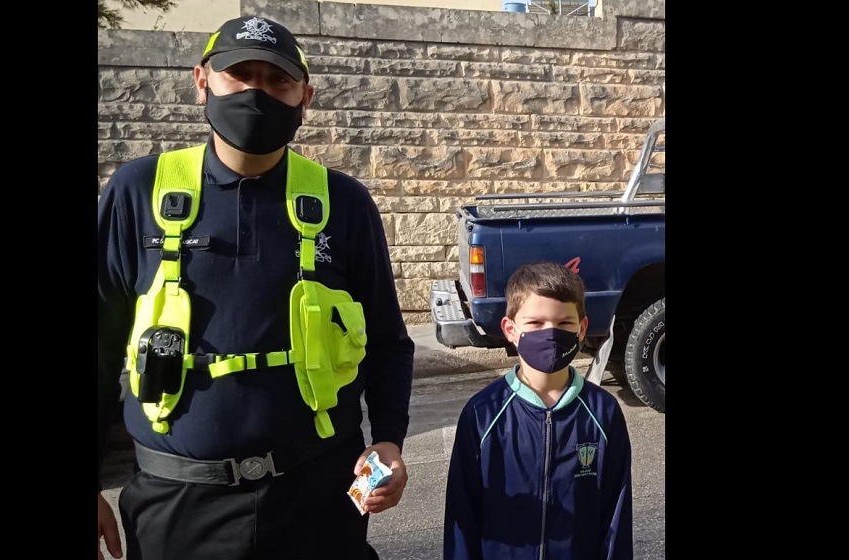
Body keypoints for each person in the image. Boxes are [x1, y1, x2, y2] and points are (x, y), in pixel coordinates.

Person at [97, 14, 415, 560]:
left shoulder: (343, 203)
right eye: (239, 74)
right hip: (179, 503)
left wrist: (388, 439)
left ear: (304, 96)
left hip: (315, 498)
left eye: (277, 81)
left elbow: (387, 342)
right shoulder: (139, 192)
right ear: (203, 81)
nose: (257, 92)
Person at [443, 260, 633, 560]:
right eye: (535, 323)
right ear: (510, 329)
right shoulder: (483, 413)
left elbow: (616, 519)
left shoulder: (603, 413)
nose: (551, 334)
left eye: (564, 323)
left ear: (582, 329)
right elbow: (461, 520)